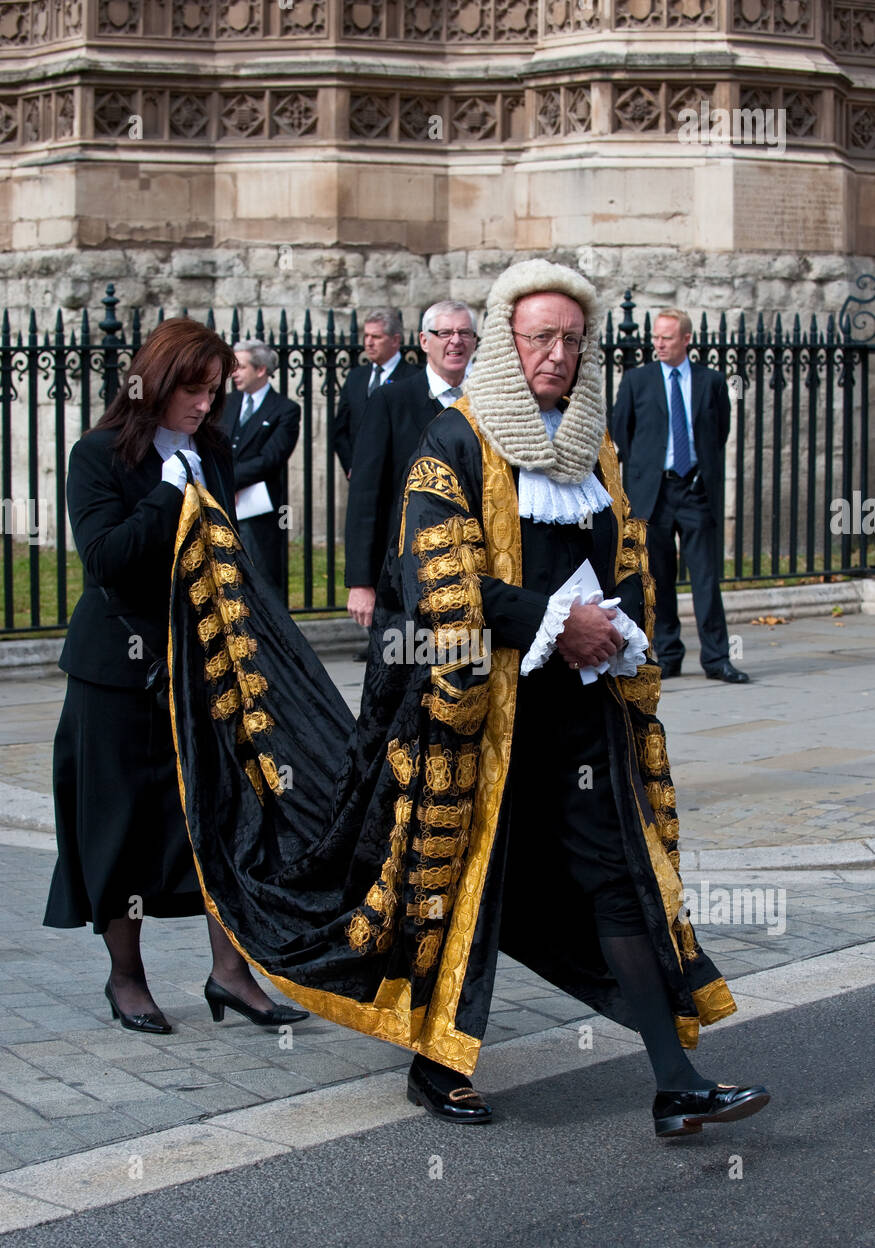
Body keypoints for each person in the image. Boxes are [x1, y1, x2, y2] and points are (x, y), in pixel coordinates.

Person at [168, 261, 768, 1139]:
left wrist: (616, 625)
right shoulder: (456, 440)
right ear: (505, 342)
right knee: (456, 879)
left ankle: (675, 1083)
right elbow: (436, 578)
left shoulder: (594, 448)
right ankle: (435, 1063)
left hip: (578, 714)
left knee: (615, 879)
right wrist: (557, 624)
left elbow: (632, 559)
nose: (556, 355)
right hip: (476, 715)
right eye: (539, 338)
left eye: (571, 339)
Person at [43, 317, 308, 1034]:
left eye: (214, 392)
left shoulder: (212, 451)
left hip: (204, 664)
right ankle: (126, 978)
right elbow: (105, 560)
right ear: (155, 382)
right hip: (118, 673)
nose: (203, 405)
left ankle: (230, 973)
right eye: (192, 390)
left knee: (223, 814)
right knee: (118, 823)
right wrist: (166, 492)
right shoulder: (97, 454)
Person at [611, 309, 749, 682]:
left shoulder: (712, 382)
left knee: (706, 577)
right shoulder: (638, 381)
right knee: (658, 577)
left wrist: (698, 471)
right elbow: (621, 430)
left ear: (686, 339)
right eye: (655, 337)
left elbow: (717, 432)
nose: (658, 343)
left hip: (695, 489)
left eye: (666, 337)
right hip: (653, 492)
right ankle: (669, 653)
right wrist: (647, 468)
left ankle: (717, 658)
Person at [345, 299, 478, 630]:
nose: (455, 341)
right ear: (423, 341)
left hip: (477, 574)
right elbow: (365, 495)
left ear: (475, 341)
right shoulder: (390, 402)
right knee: (407, 671)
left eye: (464, 332)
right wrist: (360, 582)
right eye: (444, 332)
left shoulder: (488, 403)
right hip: (405, 573)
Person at [221, 341, 301, 600]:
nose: (234, 373)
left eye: (241, 367)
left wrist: (231, 480)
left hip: (259, 511)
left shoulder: (285, 409)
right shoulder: (225, 403)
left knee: (262, 580)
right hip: (221, 503)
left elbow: (271, 458)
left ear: (261, 370)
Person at [333, 309, 418, 479]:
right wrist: (350, 466)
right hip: (360, 476)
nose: (369, 343)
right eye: (366, 336)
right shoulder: (356, 377)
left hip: (398, 478)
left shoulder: (413, 377)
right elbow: (340, 428)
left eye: (376, 337)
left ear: (395, 340)